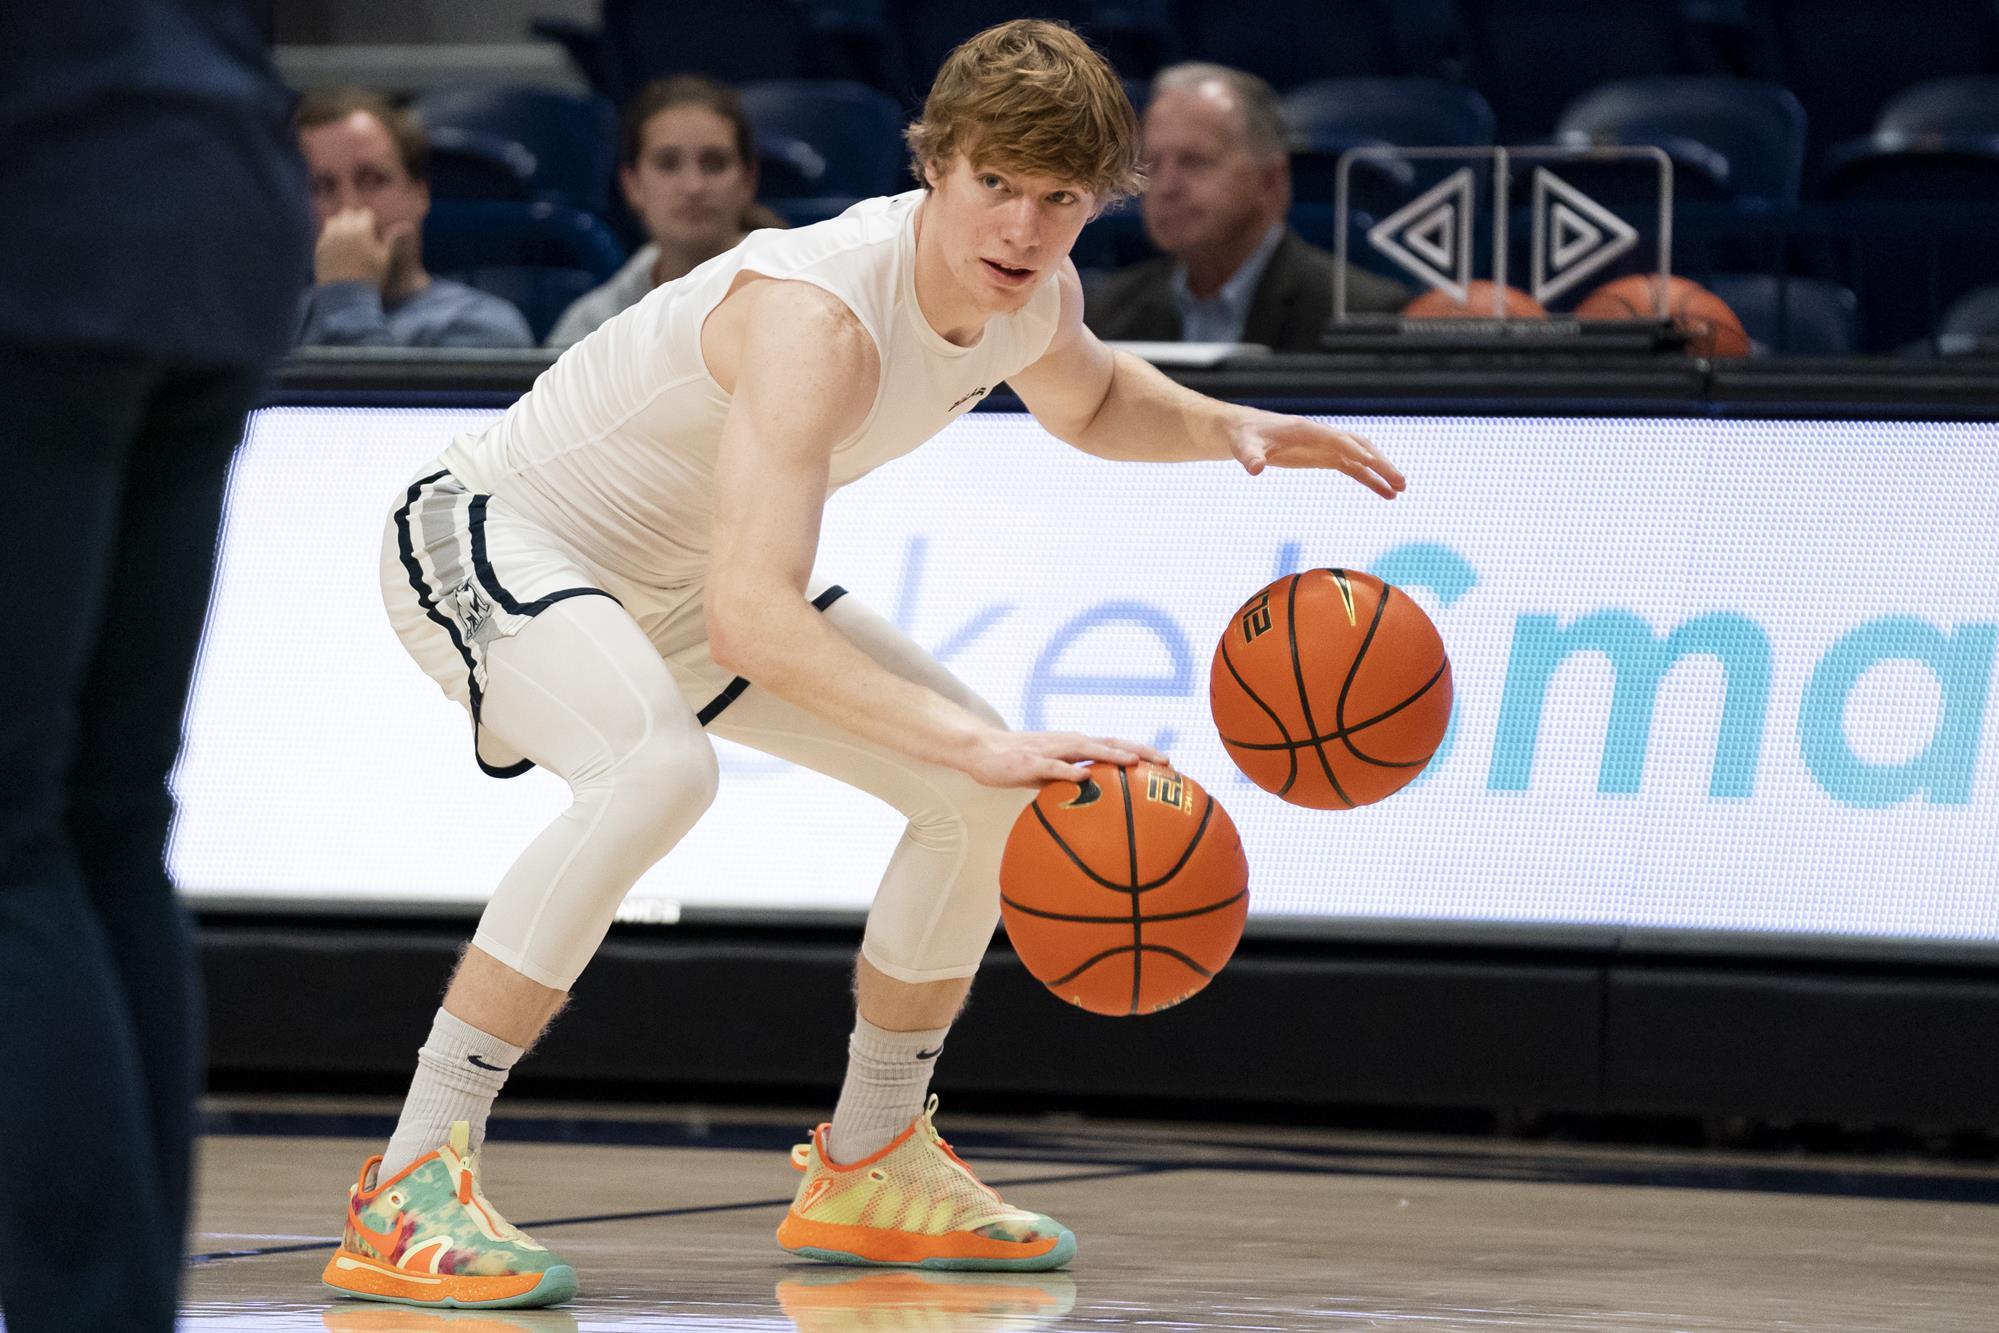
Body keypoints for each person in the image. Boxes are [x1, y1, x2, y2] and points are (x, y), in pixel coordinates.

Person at [322, 20, 1403, 1311]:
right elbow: (756, 624)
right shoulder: (818, 317)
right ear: (934, 167)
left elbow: (1096, 399)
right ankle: (405, 1183)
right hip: (500, 531)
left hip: (676, 578)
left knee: (989, 800)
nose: (1020, 226)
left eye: (1058, 200)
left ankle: (872, 1154)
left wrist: (1233, 424)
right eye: (994, 184)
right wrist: (972, 738)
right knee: (658, 772)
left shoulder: (1033, 295)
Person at [0, 3, 312, 1330]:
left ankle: (81, 1305)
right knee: (116, 819)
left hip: (49, 219)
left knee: (14, 832)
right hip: (225, 214)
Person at [1085, 63, 1407, 349]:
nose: (1166, 187)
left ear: (1271, 182)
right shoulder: (1105, 312)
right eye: (1152, 164)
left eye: (1194, 162)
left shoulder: (1360, 312)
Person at [545, 76, 788, 349]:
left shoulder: (800, 297)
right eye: (667, 164)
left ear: (748, 180)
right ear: (632, 184)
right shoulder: (591, 327)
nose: (693, 186)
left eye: (715, 163)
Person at [295, 90, 534, 349]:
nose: (349, 208)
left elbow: (362, 391)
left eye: (373, 180)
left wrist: (347, 293)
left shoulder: (483, 326)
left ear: (419, 195)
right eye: (321, 186)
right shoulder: (279, 323)